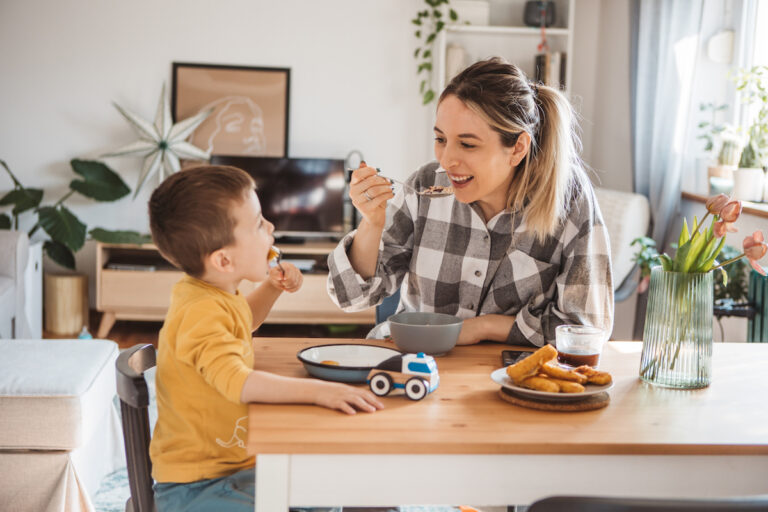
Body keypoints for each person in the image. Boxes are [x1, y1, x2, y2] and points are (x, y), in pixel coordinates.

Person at [328, 57, 613, 347]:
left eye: (467, 144)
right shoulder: (425, 184)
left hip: (512, 376)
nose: (447, 160)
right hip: (419, 363)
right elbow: (350, 297)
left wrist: (484, 328)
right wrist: (372, 222)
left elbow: (585, 332)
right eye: (440, 139)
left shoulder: (569, 198)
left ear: (517, 148)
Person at [147, 165, 383, 512]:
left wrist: (271, 288)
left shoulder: (209, 294)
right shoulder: (201, 313)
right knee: (321, 496)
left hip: (230, 468)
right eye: (259, 223)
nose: (271, 228)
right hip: (198, 487)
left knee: (324, 492)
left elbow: (245, 321)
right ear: (224, 259)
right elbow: (238, 382)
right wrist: (321, 392)